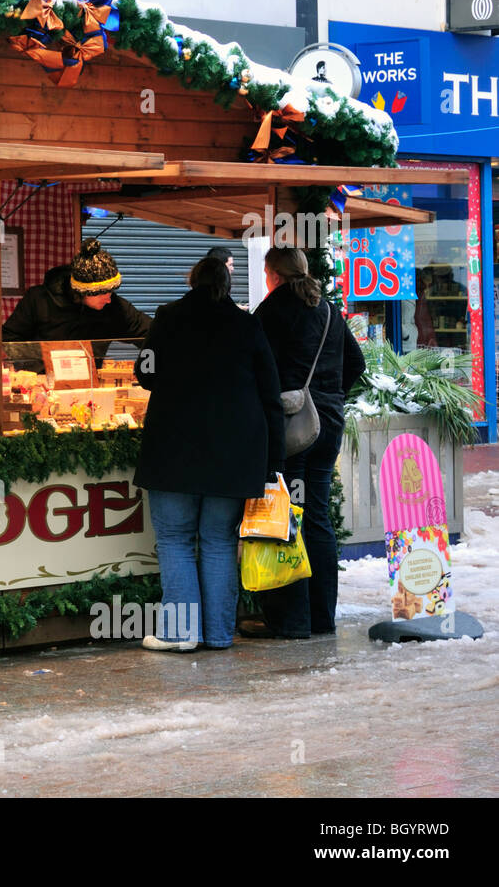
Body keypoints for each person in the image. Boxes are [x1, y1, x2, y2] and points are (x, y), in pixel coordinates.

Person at [134, 257, 285, 650]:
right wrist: (274, 463)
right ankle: (218, 635)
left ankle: (180, 633)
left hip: (173, 449)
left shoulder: (167, 317)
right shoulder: (247, 324)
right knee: (219, 541)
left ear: (191, 279)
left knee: (175, 539)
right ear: (228, 284)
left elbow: (146, 372)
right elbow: (272, 395)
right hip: (234, 454)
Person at [245, 245, 366, 639]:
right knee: (316, 516)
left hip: (290, 431)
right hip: (327, 425)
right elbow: (357, 364)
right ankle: (322, 617)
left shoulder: (272, 310)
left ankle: (291, 619)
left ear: (273, 275)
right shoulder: (328, 309)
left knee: (286, 518)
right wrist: (330, 396)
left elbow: (255, 366)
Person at [2, 239, 152, 348]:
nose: (108, 299)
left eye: (111, 292)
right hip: (42, 385)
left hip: (91, 388)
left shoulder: (115, 307)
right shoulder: (38, 300)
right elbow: (8, 338)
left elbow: (151, 333)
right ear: (82, 292)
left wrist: (148, 369)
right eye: (101, 293)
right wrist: (34, 363)